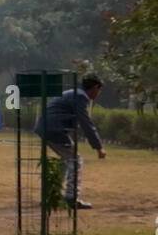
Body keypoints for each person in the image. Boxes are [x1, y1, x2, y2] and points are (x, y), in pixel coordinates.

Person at [34, 74, 107, 209]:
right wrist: (98, 147)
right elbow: (86, 123)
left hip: (47, 127)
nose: (99, 94)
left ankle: (52, 195)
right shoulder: (80, 97)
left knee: (66, 160)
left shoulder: (73, 94)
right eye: (99, 90)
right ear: (95, 87)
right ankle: (71, 197)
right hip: (54, 129)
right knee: (75, 160)